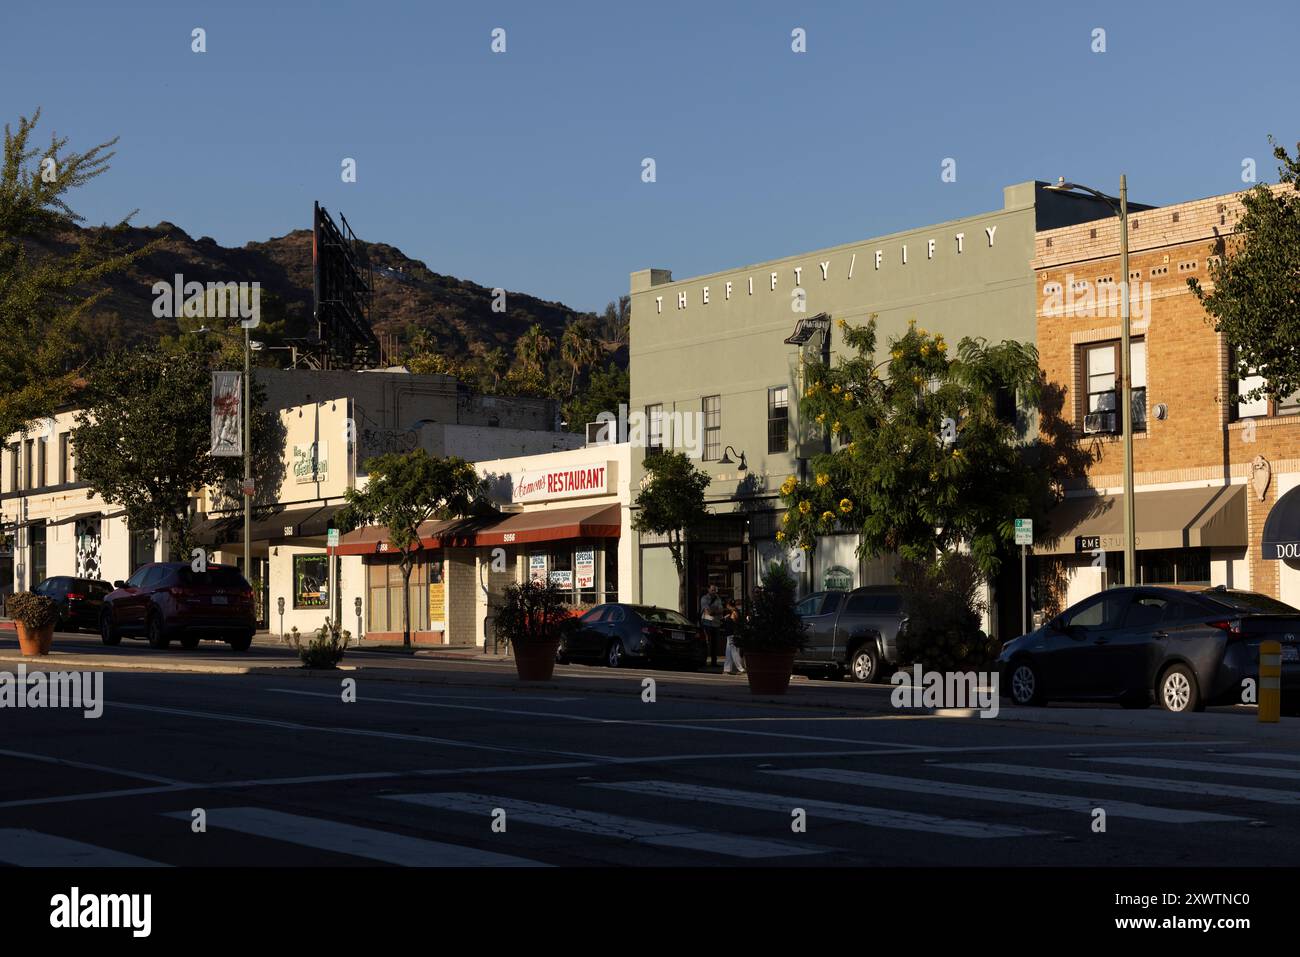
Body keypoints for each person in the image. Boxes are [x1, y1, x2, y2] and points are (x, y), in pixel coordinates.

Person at [699, 584, 723, 666]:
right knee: (706, 643)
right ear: (708, 590)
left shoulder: (718, 598)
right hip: (707, 623)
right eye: (712, 590)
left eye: (715, 590)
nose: (714, 592)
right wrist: (715, 611)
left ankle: (714, 662)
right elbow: (707, 611)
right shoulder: (704, 598)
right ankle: (703, 661)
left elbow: (721, 610)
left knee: (715, 644)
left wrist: (713, 611)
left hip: (716, 624)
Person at [722, 599, 745, 674]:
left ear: (728, 605)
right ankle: (727, 668)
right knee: (728, 651)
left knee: (733, 651)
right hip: (730, 634)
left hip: (732, 634)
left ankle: (740, 668)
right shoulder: (734, 612)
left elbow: (735, 624)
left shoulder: (734, 612)